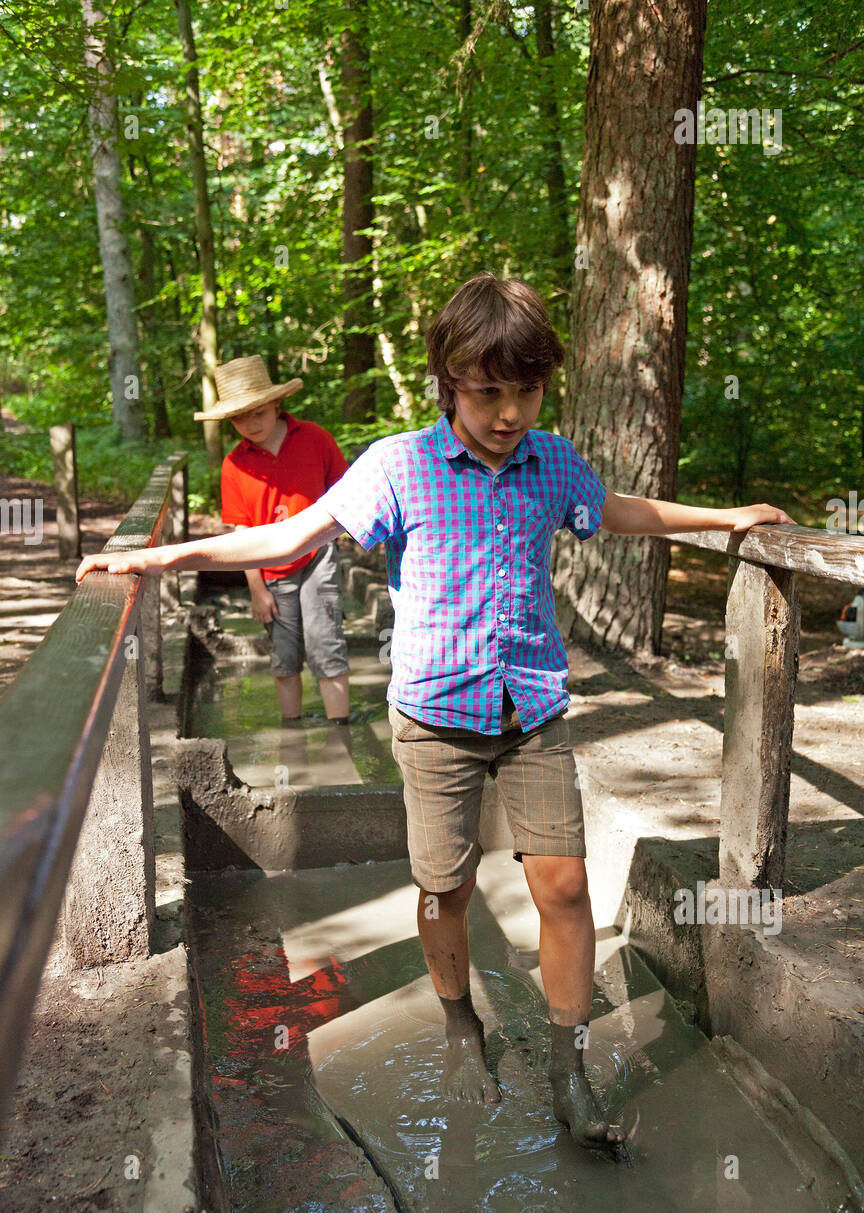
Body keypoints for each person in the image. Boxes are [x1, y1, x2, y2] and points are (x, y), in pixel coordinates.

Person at [76, 274, 792, 1156]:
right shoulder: (397, 465)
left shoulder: (553, 460)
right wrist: (165, 557)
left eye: (525, 390)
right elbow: (292, 537)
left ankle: (570, 1067)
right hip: (434, 719)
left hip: (531, 708)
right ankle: (463, 1026)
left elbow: (616, 511)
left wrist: (724, 518)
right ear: (448, 381)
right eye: (488, 391)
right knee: (443, 887)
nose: (508, 412)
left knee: (562, 887)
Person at [196, 355, 351, 726]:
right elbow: (243, 533)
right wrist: (256, 589)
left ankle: (339, 732)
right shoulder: (234, 465)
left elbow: (347, 492)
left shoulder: (315, 438)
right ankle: (292, 732)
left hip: (318, 555)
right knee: (283, 653)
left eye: (258, 413)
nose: (250, 424)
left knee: (326, 641)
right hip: (270, 568)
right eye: (239, 418)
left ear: (277, 403)